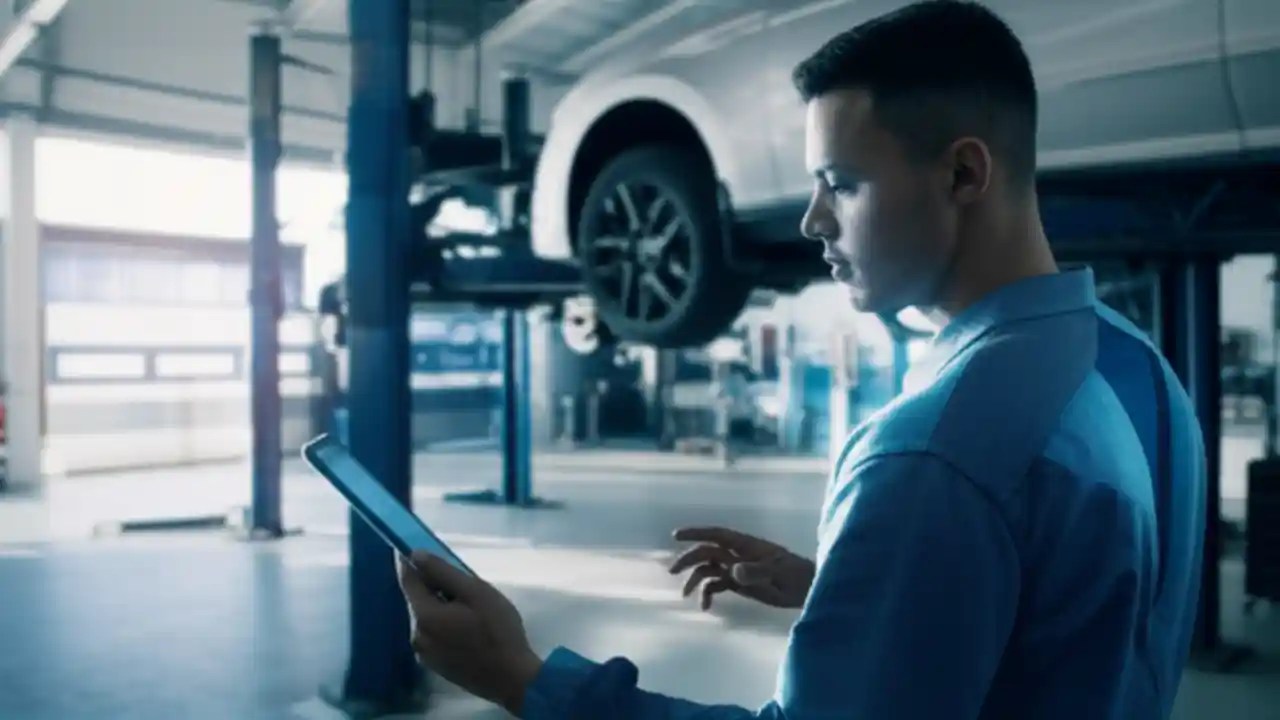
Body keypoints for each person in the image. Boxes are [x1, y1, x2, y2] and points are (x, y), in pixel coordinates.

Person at [395, 1, 1208, 717]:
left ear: (964, 173)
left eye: (840, 183)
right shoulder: (1140, 367)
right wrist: (853, 590)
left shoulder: (930, 456)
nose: (813, 220)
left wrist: (523, 680)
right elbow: (1072, 630)